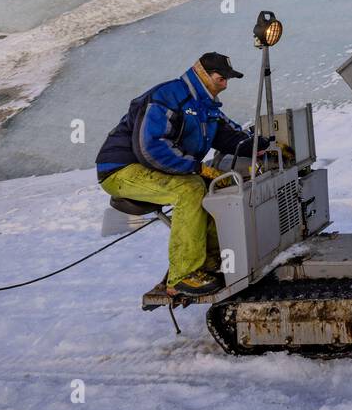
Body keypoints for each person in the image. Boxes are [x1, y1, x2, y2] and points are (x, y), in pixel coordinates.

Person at [95, 52, 271, 297]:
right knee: (189, 190)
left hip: (156, 167)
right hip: (121, 169)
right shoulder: (168, 97)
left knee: (216, 187)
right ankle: (182, 276)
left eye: (228, 79)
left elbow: (229, 135)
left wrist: (262, 146)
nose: (225, 84)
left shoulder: (207, 107)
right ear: (203, 74)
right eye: (222, 78)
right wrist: (194, 167)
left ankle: (209, 264)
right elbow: (150, 147)